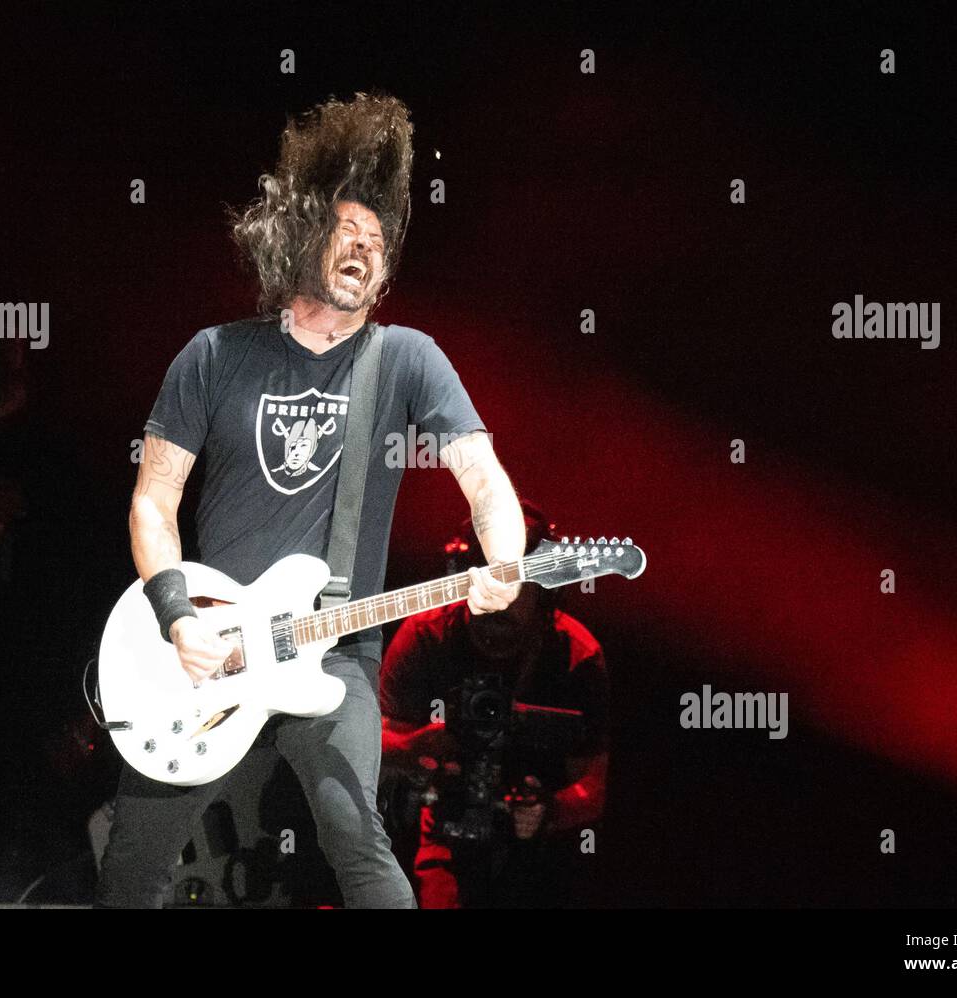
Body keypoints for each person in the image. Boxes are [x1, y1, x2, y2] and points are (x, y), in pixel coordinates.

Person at [95, 92, 528, 909]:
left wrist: (502, 556)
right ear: (301, 234)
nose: (364, 250)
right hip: (209, 654)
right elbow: (153, 504)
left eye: (378, 241)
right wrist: (178, 617)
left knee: (353, 835)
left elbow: (481, 471)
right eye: (347, 232)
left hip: (330, 652)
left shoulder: (406, 359)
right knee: (133, 861)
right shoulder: (214, 356)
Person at [379, 501, 609, 907]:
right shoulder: (425, 637)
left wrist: (547, 811)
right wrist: (417, 748)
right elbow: (373, 741)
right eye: (490, 578)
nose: (502, 597)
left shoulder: (576, 656)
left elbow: (592, 785)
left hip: (539, 853)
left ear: (546, 590)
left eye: (518, 581)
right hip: (442, 832)